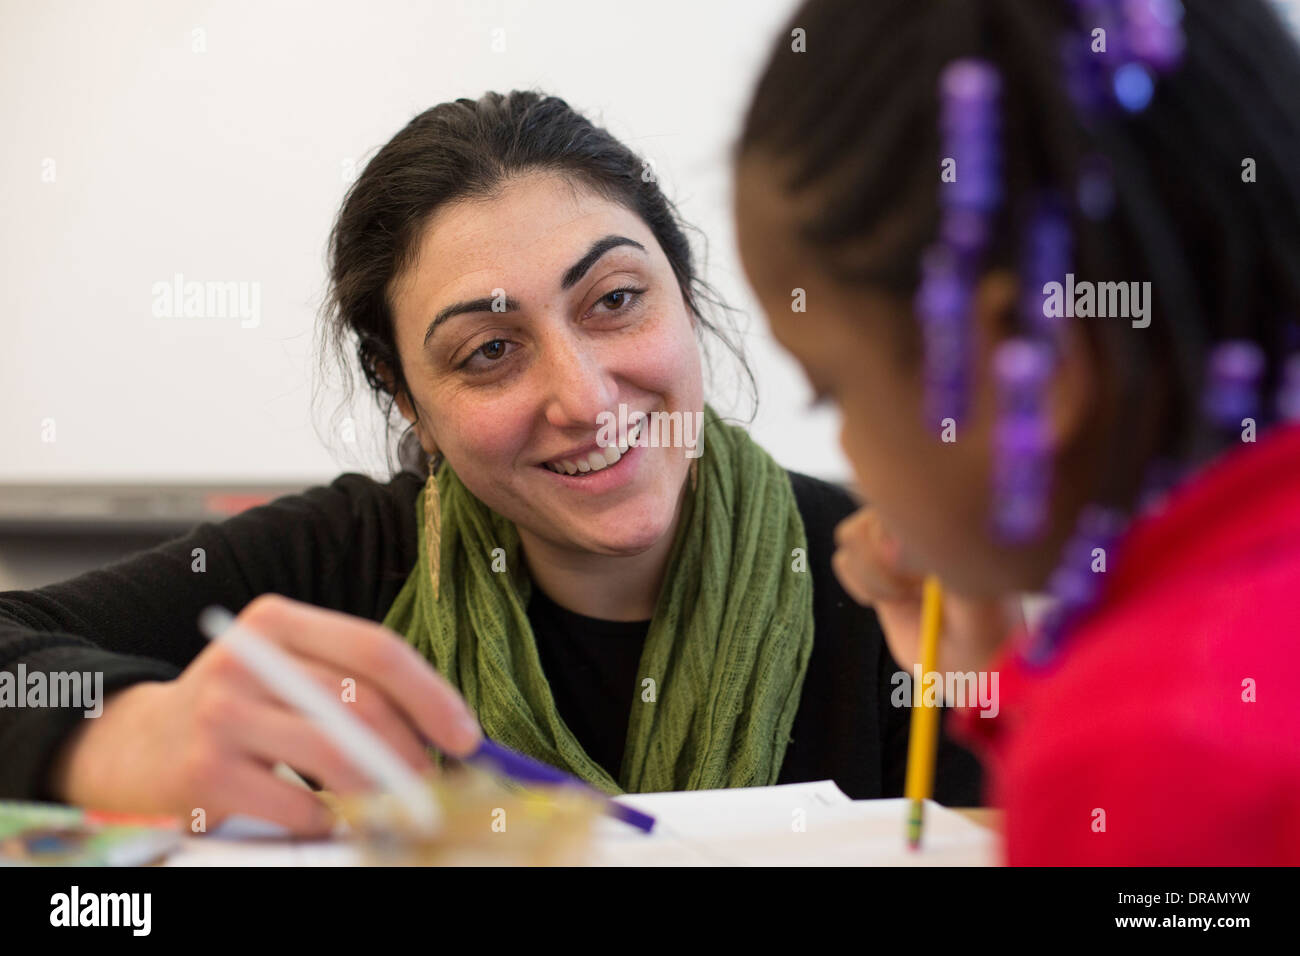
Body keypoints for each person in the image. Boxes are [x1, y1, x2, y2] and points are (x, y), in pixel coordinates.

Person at [0, 91, 983, 833]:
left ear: (684, 297)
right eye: (489, 352)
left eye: (614, 299)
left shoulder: (898, 578)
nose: (585, 397)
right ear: (407, 401)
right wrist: (116, 731)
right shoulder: (345, 564)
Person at [734, 0, 1300, 863]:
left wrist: (1089, 743)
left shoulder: (1160, 746)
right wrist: (1002, 662)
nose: (845, 450)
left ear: (1027, 360)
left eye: (831, 392)